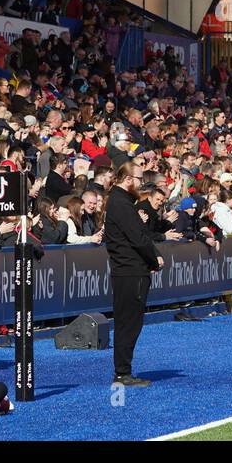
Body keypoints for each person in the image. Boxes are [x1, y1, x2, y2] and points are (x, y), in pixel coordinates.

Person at [103, 161, 162, 387]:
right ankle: (122, 372)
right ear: (128, 180)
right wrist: (154, 259)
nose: (142, 185)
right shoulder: (121, 204)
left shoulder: (120, 202)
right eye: (139, 180)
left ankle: (123, 371)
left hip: (128, 270)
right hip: (130, 271)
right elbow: (138, 238)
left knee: (128, 323)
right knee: (129, 324)